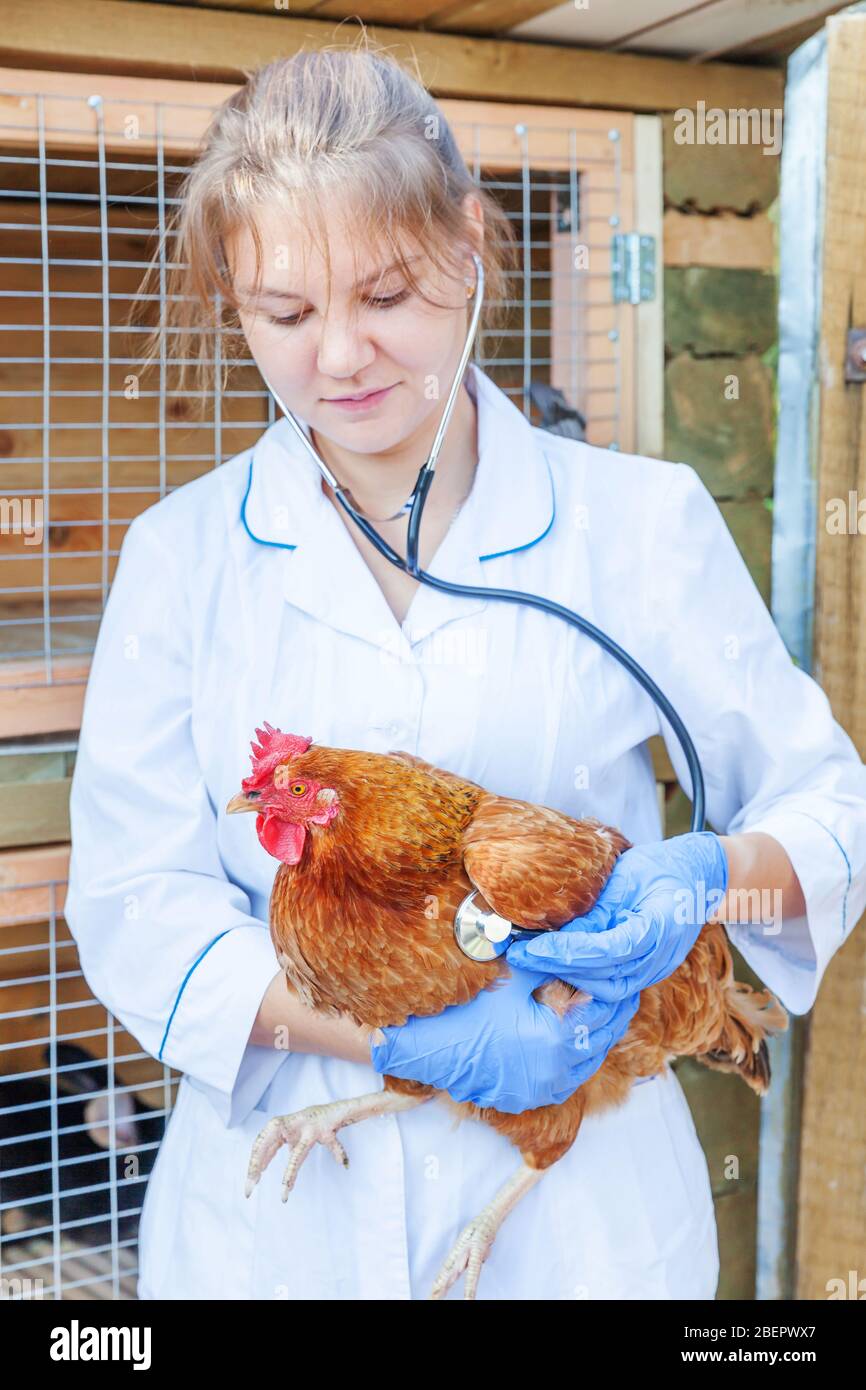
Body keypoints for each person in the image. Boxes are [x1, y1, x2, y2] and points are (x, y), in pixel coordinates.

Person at [63, 40, 866, 1301]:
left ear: (470, 243)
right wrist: (402, 1036)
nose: (339, 357)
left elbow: (827, 810)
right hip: (285, 1224)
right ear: (236, 301)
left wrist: (709, 879)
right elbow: (134, 904)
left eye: (384, 294)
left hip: (585, 1205)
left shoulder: (637, 523)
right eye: (285, 313)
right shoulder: (182, 560)